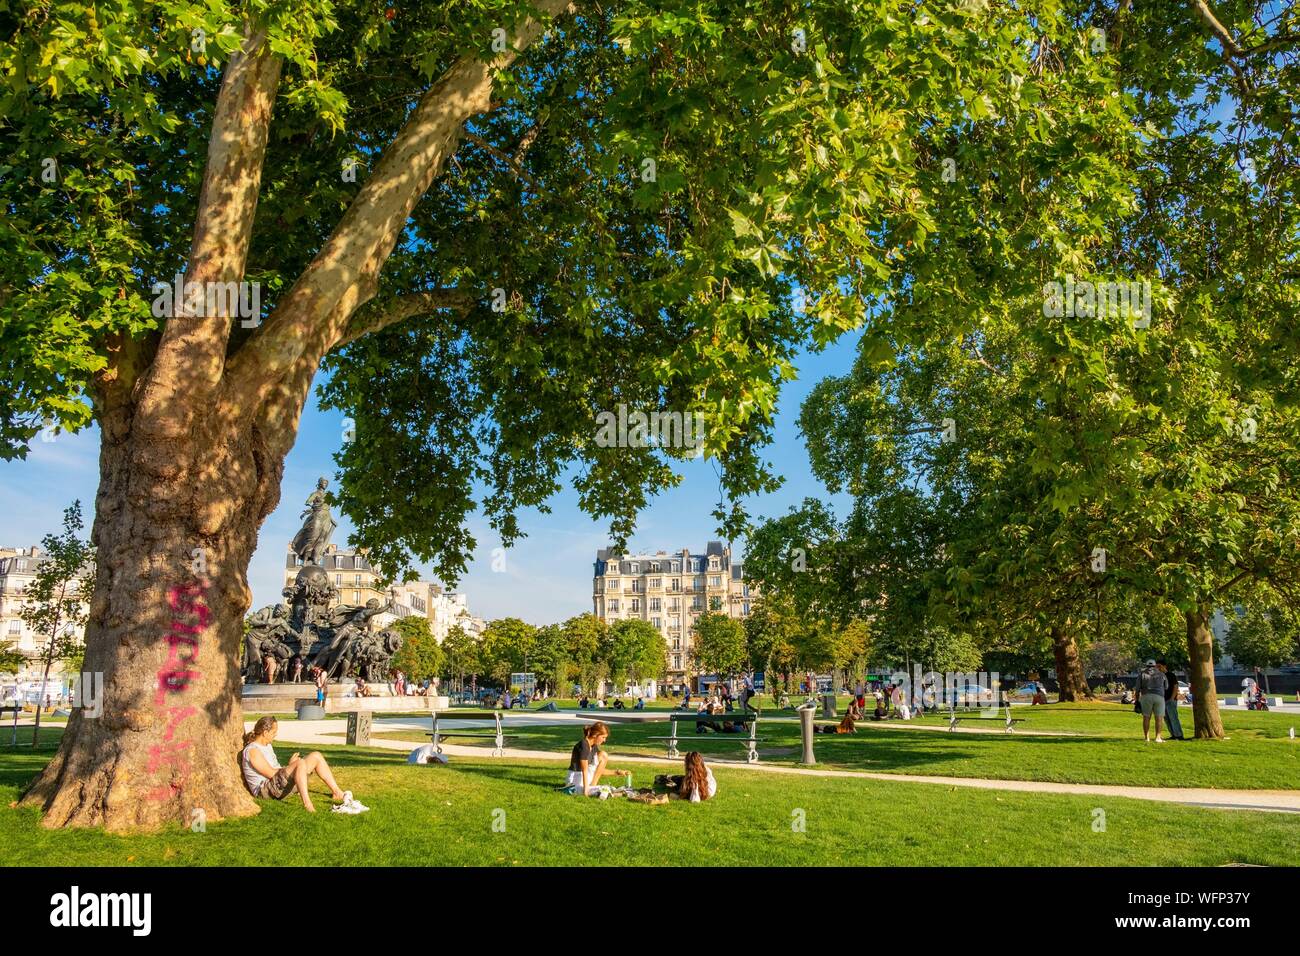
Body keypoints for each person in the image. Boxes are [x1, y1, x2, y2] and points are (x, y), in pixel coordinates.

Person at [240, 716, 364, 813]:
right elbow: (271, 773)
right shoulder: (253, 750)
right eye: (273, 732)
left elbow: (278, 773)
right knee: (299, 763)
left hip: (276, 784)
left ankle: (337, 792)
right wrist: (290, 766)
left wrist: (290, 768)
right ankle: (307, 804)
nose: (275, 735)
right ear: (265, 733)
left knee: (316, 756)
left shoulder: (267, 745)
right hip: (265, 791)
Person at [565, 722, 630, 796]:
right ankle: (593, 790)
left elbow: (598, 770)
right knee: (605, 789)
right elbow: (584, 769)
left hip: (584, 777)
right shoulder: (584, 745)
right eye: (603, 737)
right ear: (595, 735)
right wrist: (586, 789)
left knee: (603, 755)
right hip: (575, 778)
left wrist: (617, 772)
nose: (604, 740)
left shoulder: (593, 746)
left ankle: (594, 787)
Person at [1136, 659, 1167, 743]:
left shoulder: (1142, 674)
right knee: (1159, 718)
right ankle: (1158, 737)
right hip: (1159, 696)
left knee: (1146, 717)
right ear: (1155, 665)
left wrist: (1136, 700)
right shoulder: (1161, 674)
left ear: (1146, 665)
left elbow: (1137, 688)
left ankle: (1147, 737)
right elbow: (1166, 686)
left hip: (1146, 696)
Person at [1157, 660, 1185, 741]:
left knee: (1173, 717)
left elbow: (1175, 686)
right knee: (1167, 719)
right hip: (1162, 700)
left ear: (1164, 666)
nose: (1158, 668)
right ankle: (1173, 734)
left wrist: (1172, 698)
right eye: (1157, 666)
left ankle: (1179, 735)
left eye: (1159, 666)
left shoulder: (1171, 675)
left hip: (1170, 700)